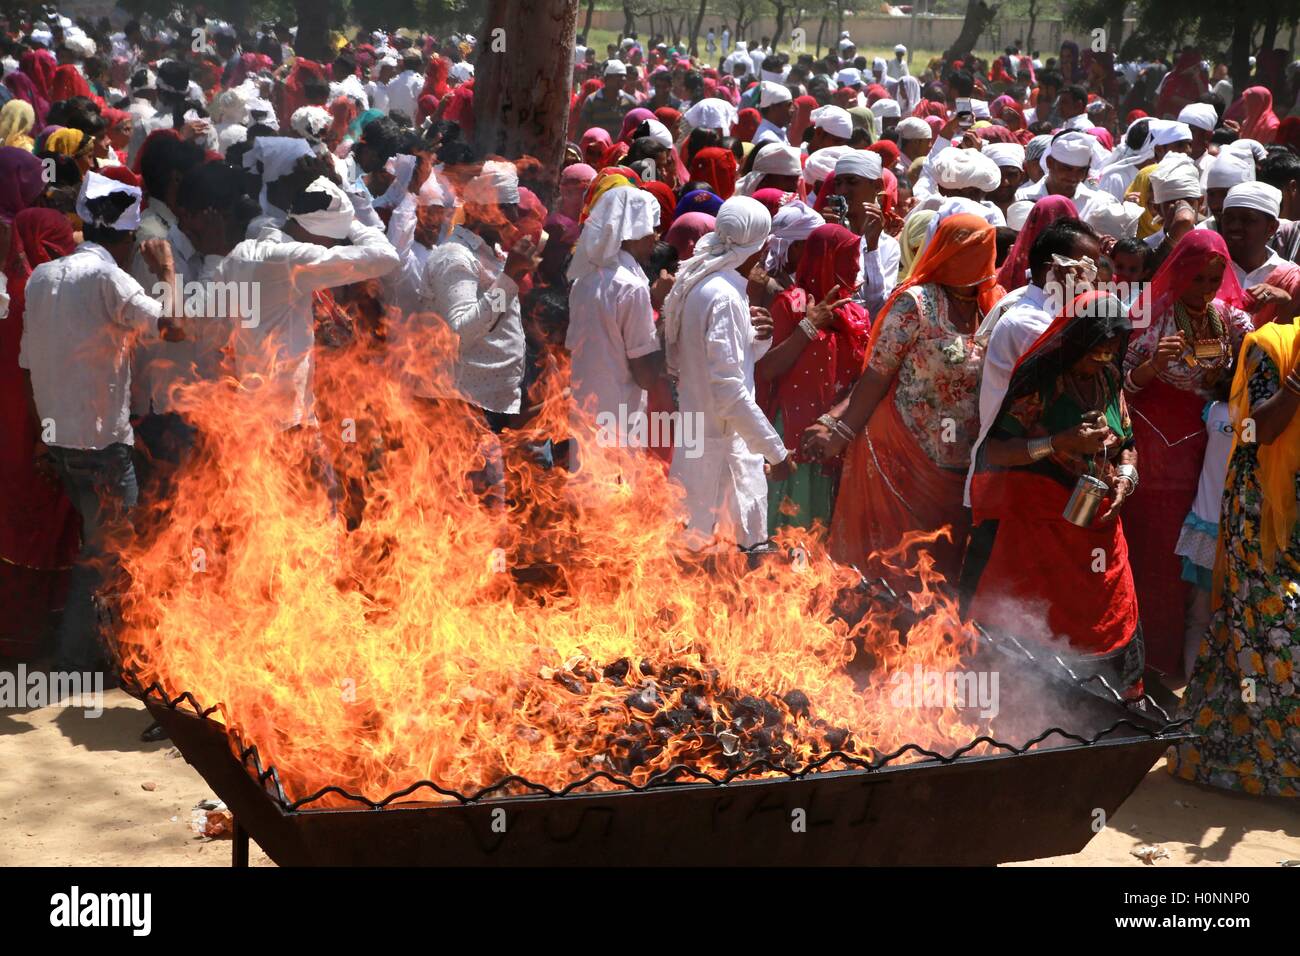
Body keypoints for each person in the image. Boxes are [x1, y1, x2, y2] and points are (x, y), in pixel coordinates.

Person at [18, 172, 180, 674]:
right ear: (128, 238)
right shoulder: (110, 278)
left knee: (100, 546)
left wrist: (45, 439)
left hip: (62, 441)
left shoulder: (43, 276)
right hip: (101, 447)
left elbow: (28, 366)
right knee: (109, 556)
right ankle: (84, 660)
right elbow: (173, 327)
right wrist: (169, 273)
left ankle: (95, 656)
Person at [802, 214, 1002, 585]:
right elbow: (876, 376)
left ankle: (930, 642)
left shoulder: (994, 307)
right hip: (902, 454)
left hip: (962, 466)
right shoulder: (915, 304)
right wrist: (839, 430)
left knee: (939, 575)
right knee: (894, 567)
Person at [967, 292, 1143, 693]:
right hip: (1040, 525)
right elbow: (997, 450)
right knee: (1040, 624)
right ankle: (1035, 707)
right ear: (1074, 341)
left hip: (1098, 522)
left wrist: (1126, 478)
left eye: (1110, 352)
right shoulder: (1039, 384)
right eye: (1094, 351)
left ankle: (1107, 706)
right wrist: (1058, 443)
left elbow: (1128, 442)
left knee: (1109, 611)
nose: (1101, 361)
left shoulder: (1109, 378)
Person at [1169, 317, 1300, 797]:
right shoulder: (1267, 348)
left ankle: (1214, 750)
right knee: (1279, 631)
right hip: (1259, 515)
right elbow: (1258, 430)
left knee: (1244, 637)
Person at [1122, 230, 1254, 681]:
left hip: (1211, 452)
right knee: (1159, 553)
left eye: (1215, 280)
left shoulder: (1230, 319)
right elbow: (1123, 387)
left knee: (1199, 562)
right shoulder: (1151, 317)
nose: (1206, 289)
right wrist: (1155, 364)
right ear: (1178, 273)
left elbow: (1255, 370)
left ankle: (1197, 668)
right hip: (1159, 452)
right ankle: (1154, 664)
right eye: (1197, 279)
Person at [661, 195, 792, 549]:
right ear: (760, 246)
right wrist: (775, 452)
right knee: (724, 571)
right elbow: (730, 391)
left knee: (692, 563)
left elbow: (709, 363)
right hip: (721, 462)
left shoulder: (703, 286)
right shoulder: (724, 297)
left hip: (699, 448)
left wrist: (754, 341)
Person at [757, 223, 865, 531]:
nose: (856, 265)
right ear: (825, 258)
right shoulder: (792, 303)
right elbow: (766, 368)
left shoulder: (855, 314)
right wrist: (809, 326)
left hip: (835, 434)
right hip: (792, 432)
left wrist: (834, 423)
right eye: (849, 256)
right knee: (791, 523)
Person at [565, 187, 666, 450]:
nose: (656, 237)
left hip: (585, 415)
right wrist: (668, 314)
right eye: (652, 228)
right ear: (634, 231)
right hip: (618, 424)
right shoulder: (631, 287)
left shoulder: (584, 279)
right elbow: (645, 375)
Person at [581, 61, 637, 139]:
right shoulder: (592, 101)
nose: (623, 79)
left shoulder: (630, 101)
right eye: (619, 76)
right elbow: (581, 127)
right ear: (607, 78)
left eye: (624, 76)